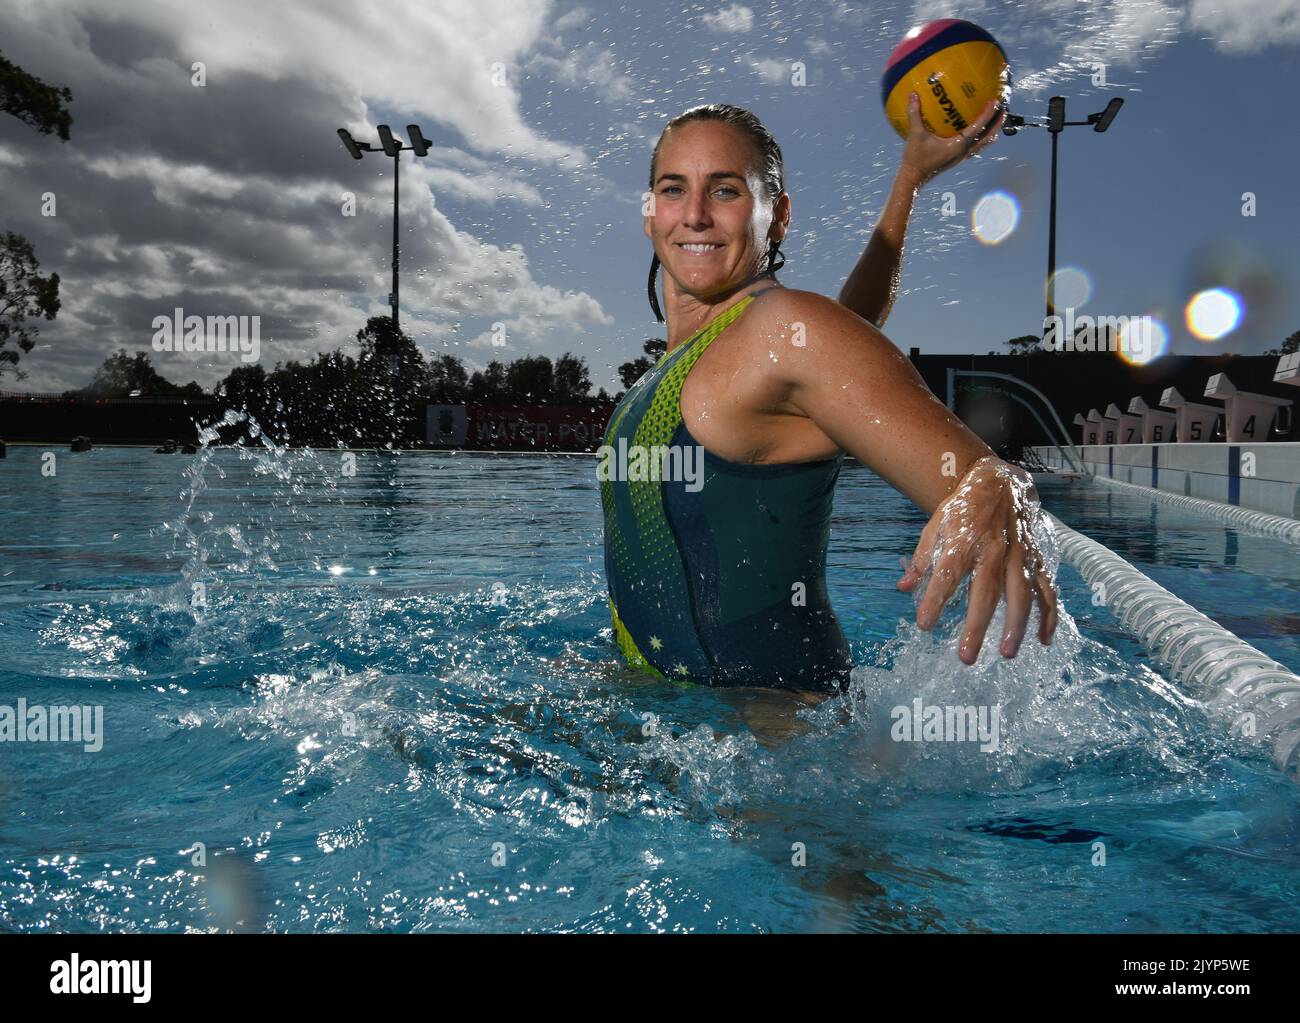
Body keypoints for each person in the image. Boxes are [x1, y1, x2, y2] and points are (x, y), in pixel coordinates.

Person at [599, 93, 1057, 691]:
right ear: (649, 212)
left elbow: (977, 477)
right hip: (658, 704)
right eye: (672, 188)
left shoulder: (786, 331)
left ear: (778, 216)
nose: (695, 215)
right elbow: (854, 325)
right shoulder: (715, 353)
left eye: (727, 190)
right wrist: (910, 179)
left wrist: (1000, 484)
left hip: (772, 741)